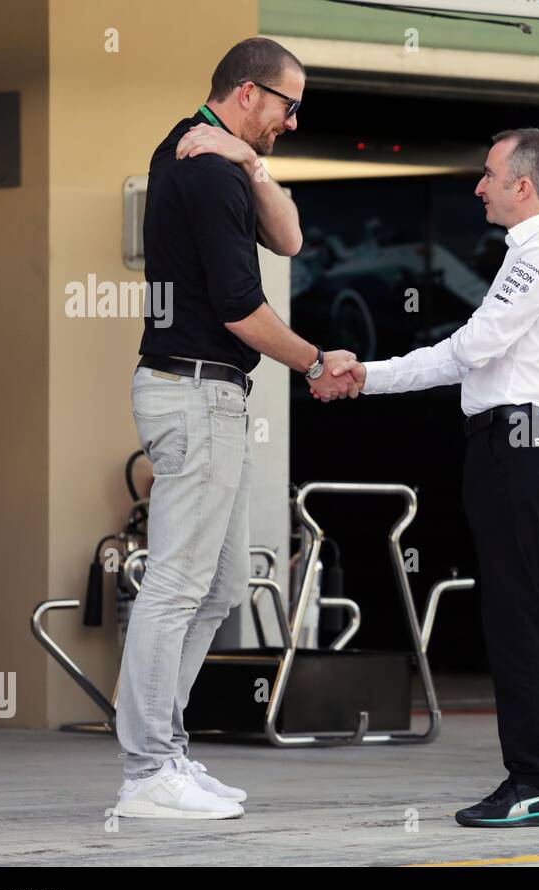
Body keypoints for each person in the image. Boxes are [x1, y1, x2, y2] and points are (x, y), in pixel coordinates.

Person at [115, 38, 358, 820]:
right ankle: (148, 768)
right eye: (289, 107)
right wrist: (318, 360)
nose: (291, 123)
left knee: (219, 584)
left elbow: (287, 237)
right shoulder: (200, 165)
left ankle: (166, 750)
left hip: (206, 396)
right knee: (177, 586)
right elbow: (242, 312)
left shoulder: (214, 157)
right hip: (194, 394)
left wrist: (250, 163)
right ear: (250, 93)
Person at [340, 129, 539, 827]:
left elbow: (470, 350)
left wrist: (366, 376)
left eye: (488, 174)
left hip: (517, 440)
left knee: (518, 617)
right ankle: (538, 774)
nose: (478, 186)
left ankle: (535, 781)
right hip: (525, 440)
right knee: (528, 613)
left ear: (523, 185)